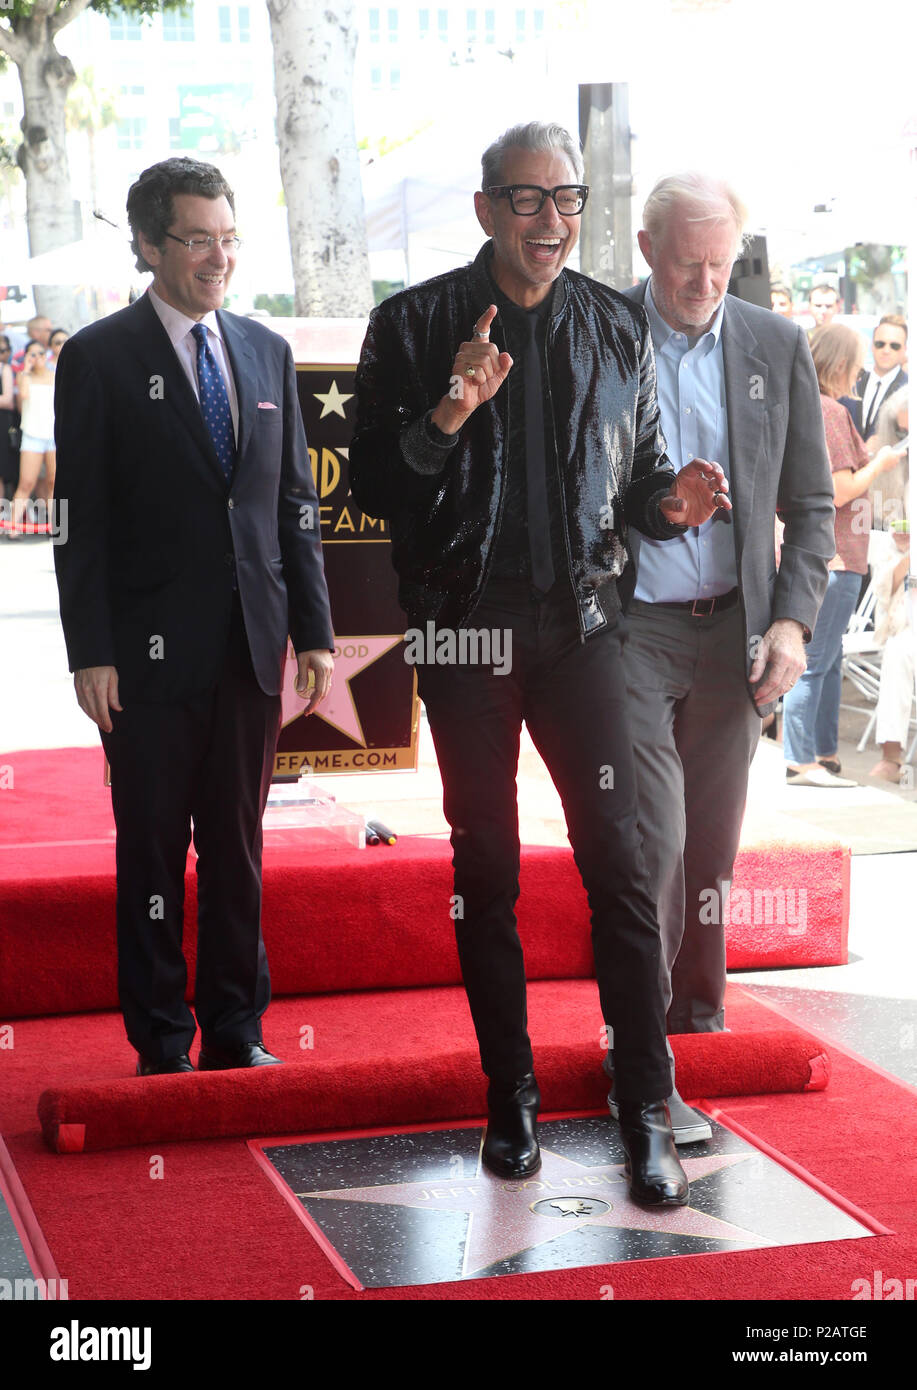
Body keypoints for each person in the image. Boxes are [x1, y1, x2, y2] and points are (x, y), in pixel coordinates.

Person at [350, 121, 734, 1207]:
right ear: (484, 210)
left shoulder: (616, 326)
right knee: (487, 871)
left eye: (565, 200)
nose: (550, 221)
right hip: (467, 636)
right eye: (527, 200)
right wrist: (448, 409)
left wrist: (673, 505)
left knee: (620, 862)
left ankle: (644, 1104)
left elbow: (640, 487)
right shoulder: (413, 322)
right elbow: (374, 491)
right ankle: (507, 1094)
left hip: (581, 634)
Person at [53, 157, 334, 1076]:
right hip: (142, 660)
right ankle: (162, 1042)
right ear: (146, 244)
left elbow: (295, 503)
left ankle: (237, 1030)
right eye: (197, 238)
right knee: (152, 855)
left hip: (250, 650)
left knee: (238, 849)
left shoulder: (265, 351)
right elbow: (79, 521)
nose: (218, 257)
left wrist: (318, 631)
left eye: (228, 238)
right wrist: (91, 651)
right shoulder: (98, 357)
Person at [612, 173, 836, 1140]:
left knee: (711, 841)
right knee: (651, 837)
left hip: (735, 633)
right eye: (684, 262)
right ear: (644, 245)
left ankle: (696, 1026)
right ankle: (641, 1049)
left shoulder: (774, 343)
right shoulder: (596, 332)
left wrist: (792, 622)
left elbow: (812, 508)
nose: (704, 281)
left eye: (719, 262)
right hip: (627, 626)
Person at [782, 324, 900, 786]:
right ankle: (801, 758)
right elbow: (839, 486)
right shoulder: (828, 410)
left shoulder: (822, 409)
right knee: (814, 663)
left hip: (837, 556)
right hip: (832, 557)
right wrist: (879, 465)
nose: (862, 368)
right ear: (840, 363)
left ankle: (822, 753)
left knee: (827, 663)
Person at [8, 339, 56, 534]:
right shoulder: (23, 376)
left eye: (41, 354)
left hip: (53, 434)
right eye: (33, 354)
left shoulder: (54, 375)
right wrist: (26, 369)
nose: (38, 358)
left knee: (54, 481)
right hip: (32, 434)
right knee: (26, 482)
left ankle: (55, 526)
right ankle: (13, 528)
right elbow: (23, 398)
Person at [841, 314, 908, 445]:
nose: (886, 350)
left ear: (904, 350)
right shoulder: (850, 383)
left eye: (894, 346)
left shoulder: (909, 389)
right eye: (880, 344)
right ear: (872, 345)